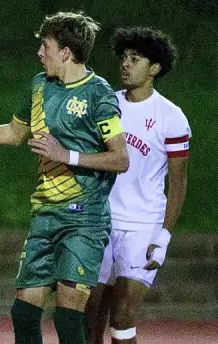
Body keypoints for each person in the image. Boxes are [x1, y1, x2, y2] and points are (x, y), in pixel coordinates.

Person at [0, 11, 129, 344]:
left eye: (45, 46)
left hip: (85, 220)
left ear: (65, 52)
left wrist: (67, 156)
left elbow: (121, 159)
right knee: (23, 312)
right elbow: (13, 134)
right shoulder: (39, 85)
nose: (39, 53)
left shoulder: (99, 94)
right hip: (45, 216)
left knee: (67, 316)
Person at [84, 27, 190, 344]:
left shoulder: (171, 117)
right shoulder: (107, 105)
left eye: (135, 59)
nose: (125, 64)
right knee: (90, 314)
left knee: (122, 317)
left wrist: (165, 235)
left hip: (143, 225)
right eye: (124, 58)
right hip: (101, 221)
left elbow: (178, 183)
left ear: (154, 68)